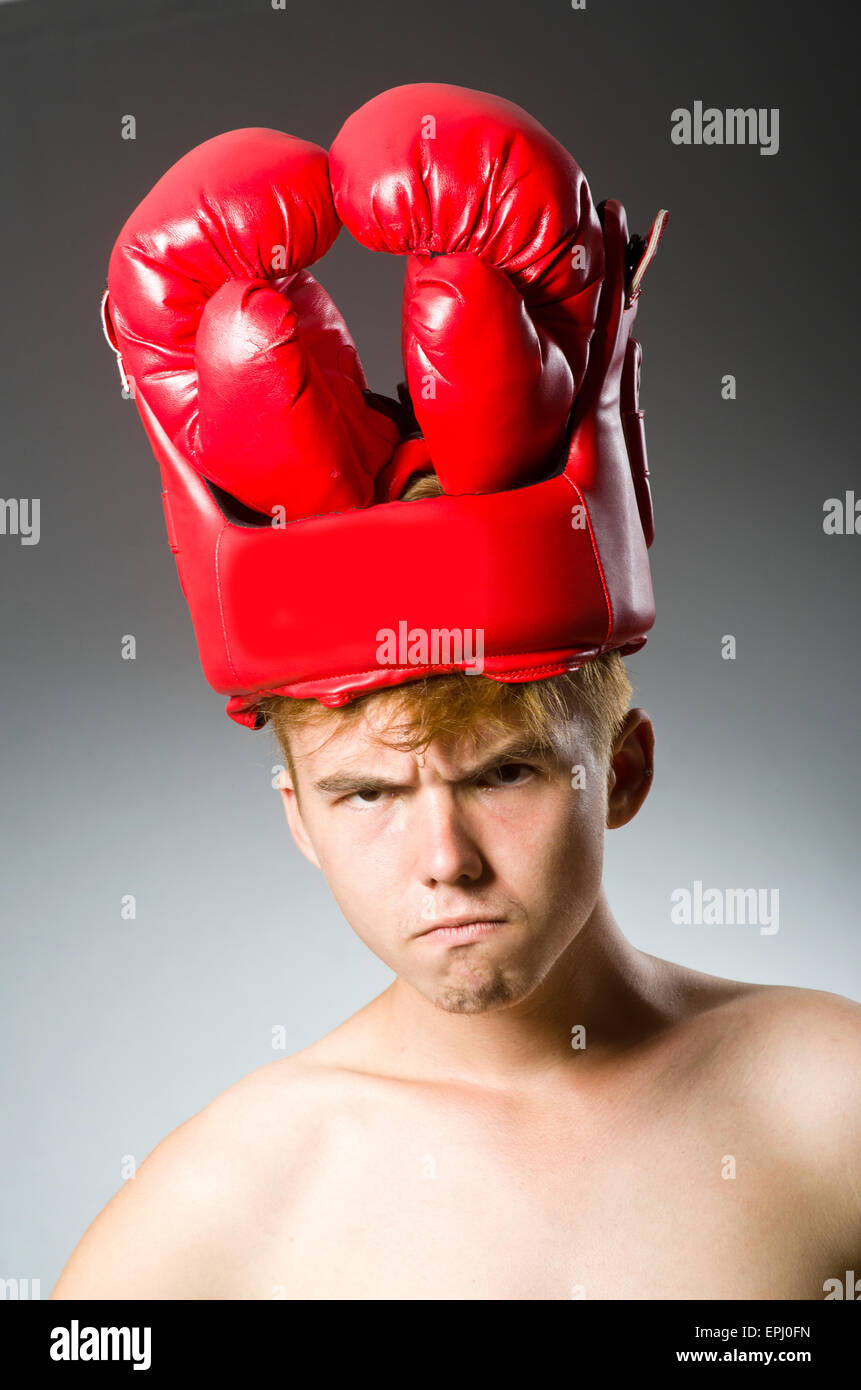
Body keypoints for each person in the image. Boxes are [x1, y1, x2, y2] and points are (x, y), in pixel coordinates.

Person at [52, 82, 860, 1301]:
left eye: (505, 771)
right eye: (367, 792)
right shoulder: (211, 1221)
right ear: (298, 822)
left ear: (623, 770)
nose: (444, 859)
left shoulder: (833, 1103)